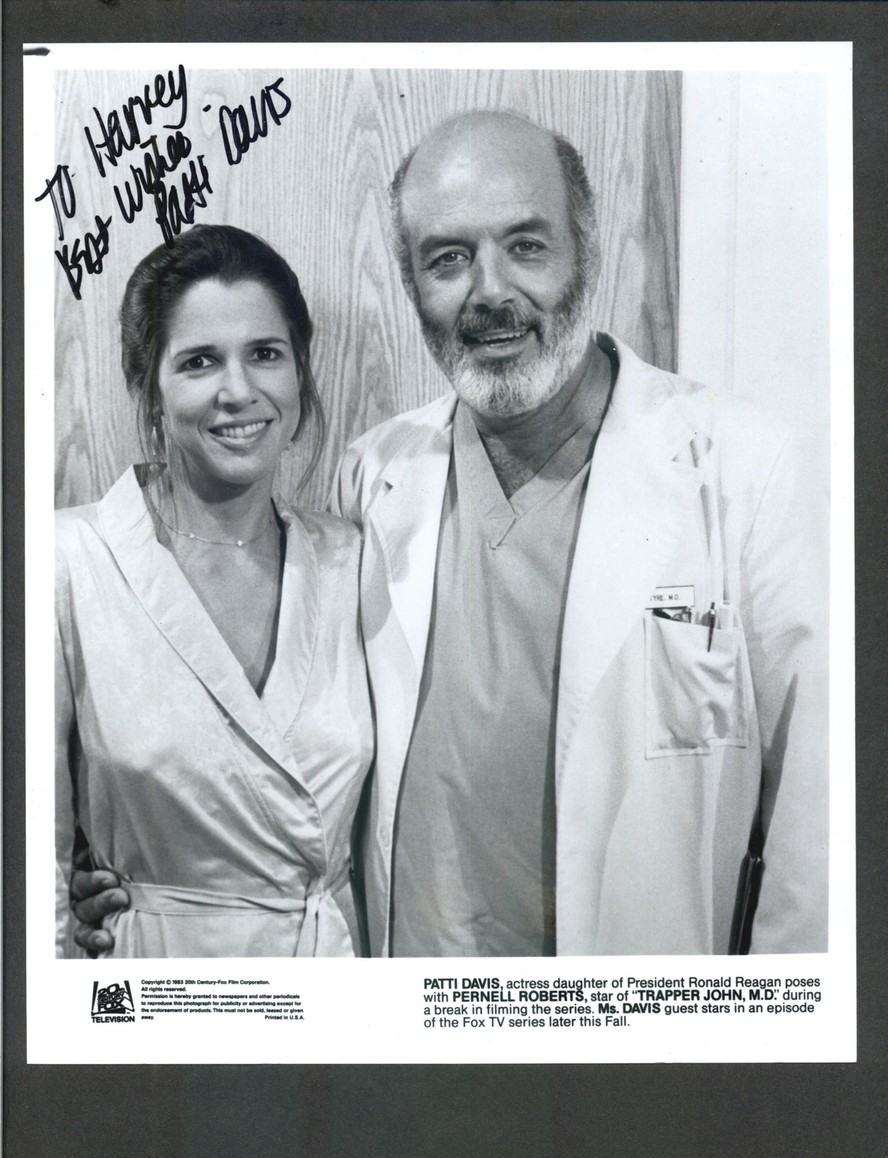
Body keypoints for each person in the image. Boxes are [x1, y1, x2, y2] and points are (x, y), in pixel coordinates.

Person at [73, 111, 828, 957]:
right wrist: (112, 884)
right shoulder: (374, 474)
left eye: (527, 247)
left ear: (585, 253)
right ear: (412, 286)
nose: (490, 292)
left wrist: (785, 1025)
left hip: (634, 1009)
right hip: (414, 1009)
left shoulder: (744, 468)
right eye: (449, 259)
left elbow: (819, 816)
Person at [56, 224, 374, 958]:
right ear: (150, 390)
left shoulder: (352, 560)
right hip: (157, 986)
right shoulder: (70, 560)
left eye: (265, 354)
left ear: (300, 373)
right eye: (199, 362)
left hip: (328, 983)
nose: (239, 391)